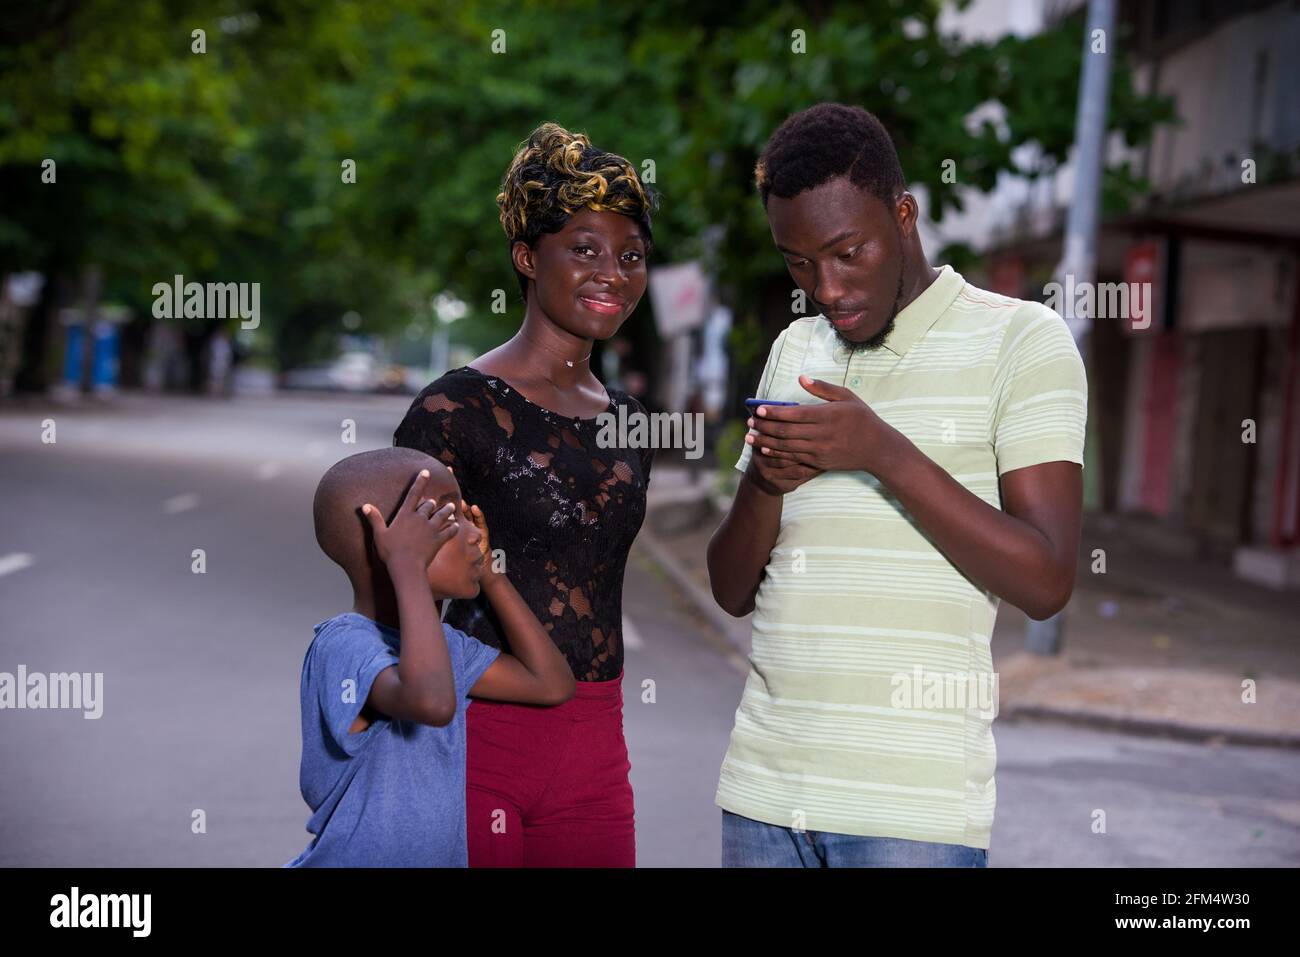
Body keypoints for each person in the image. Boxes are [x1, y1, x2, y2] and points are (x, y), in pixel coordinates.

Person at [707, 103, 1088, 867]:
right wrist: (766, 483)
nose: (830, 288)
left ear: (905, 214)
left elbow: (1045, 579)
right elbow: (730, 587)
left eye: (850, 252)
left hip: (913, 815)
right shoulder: (793, 348)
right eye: (800, 263)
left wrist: (882, 450)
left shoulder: (1021, 340)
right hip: (764, 796)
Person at [394, 122, 657, 867]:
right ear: (526, 258)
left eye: (631, 255)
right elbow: (395, 587)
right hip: (478, 736)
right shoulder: (454, 410)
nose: (613, 271)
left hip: (597, 750)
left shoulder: (632, 422)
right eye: (584, 248)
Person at [286, 448, 573, 867]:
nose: (474, 533)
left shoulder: (446, 647)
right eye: (445, 518)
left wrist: (490, 573)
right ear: (383, 542)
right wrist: (407, 565)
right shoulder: (344, 644)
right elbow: (432, 703)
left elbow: (551, 683)